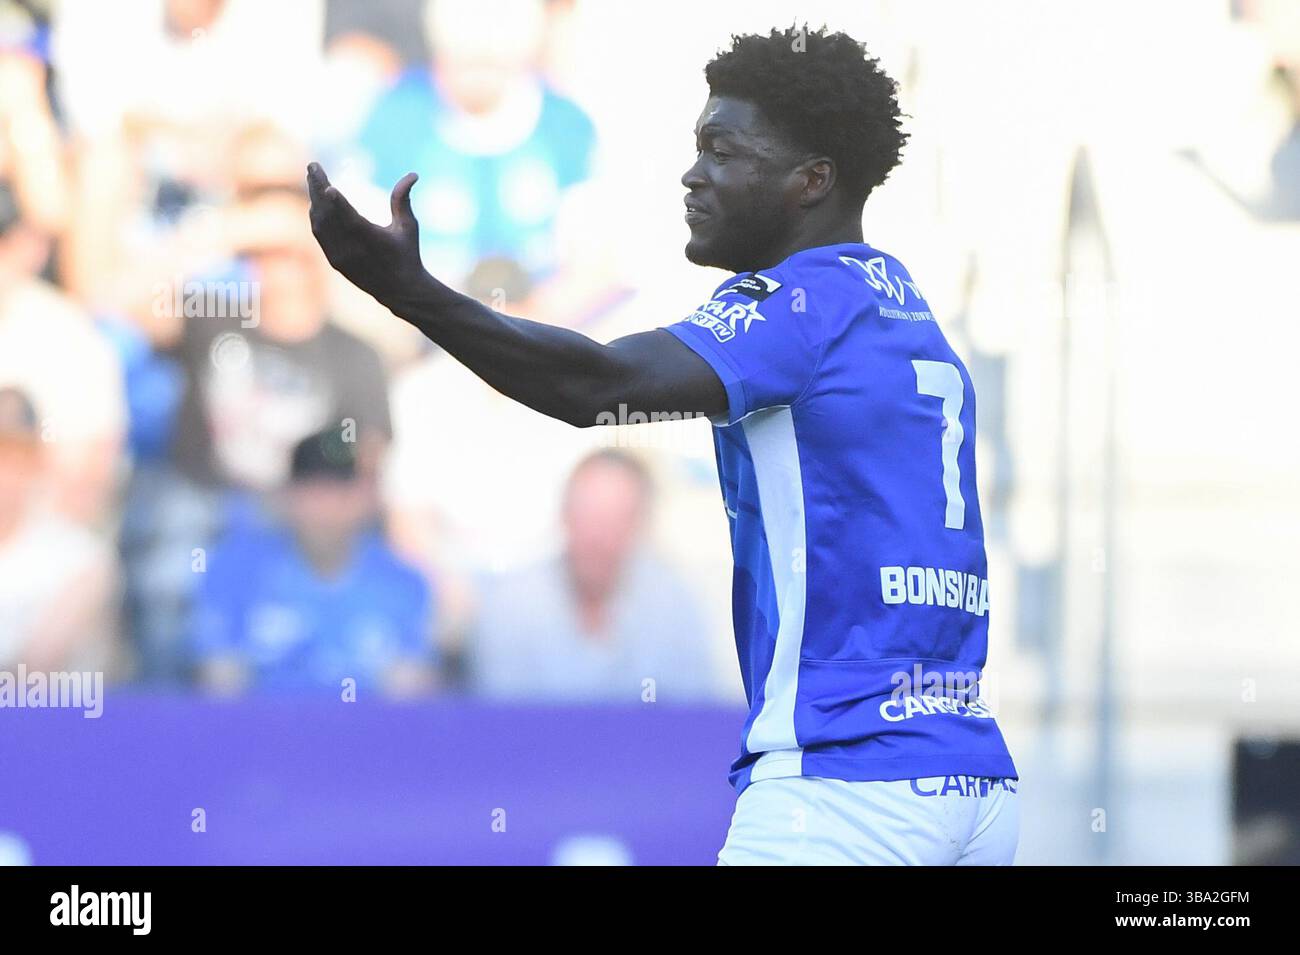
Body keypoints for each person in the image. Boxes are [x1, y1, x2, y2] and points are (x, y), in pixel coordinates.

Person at [306, 25, 1018, 866]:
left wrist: (412, 294)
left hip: (843, 790)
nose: (693, 174)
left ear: (810, 181)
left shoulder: (799, 304)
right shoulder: (905, 311)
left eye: (723, 151)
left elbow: (596, 388)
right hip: (970, 779)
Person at [190, 427, 435, 696]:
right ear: (286, 496)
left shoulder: (404, 583)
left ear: (365, 497)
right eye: (312, 491)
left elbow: (411, 696)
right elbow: (219, 685)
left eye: (339, 491)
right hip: (264, 734)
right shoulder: (233, 572)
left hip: (366, 735)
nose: (325, 508)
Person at [467, 450, 716, 702]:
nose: (598, 537)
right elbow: (500, 720)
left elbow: (690, 714)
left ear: (642, 526)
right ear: (564, 516)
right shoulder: (511, 606)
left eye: (616, 520)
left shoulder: (674, 606)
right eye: (588, 517)